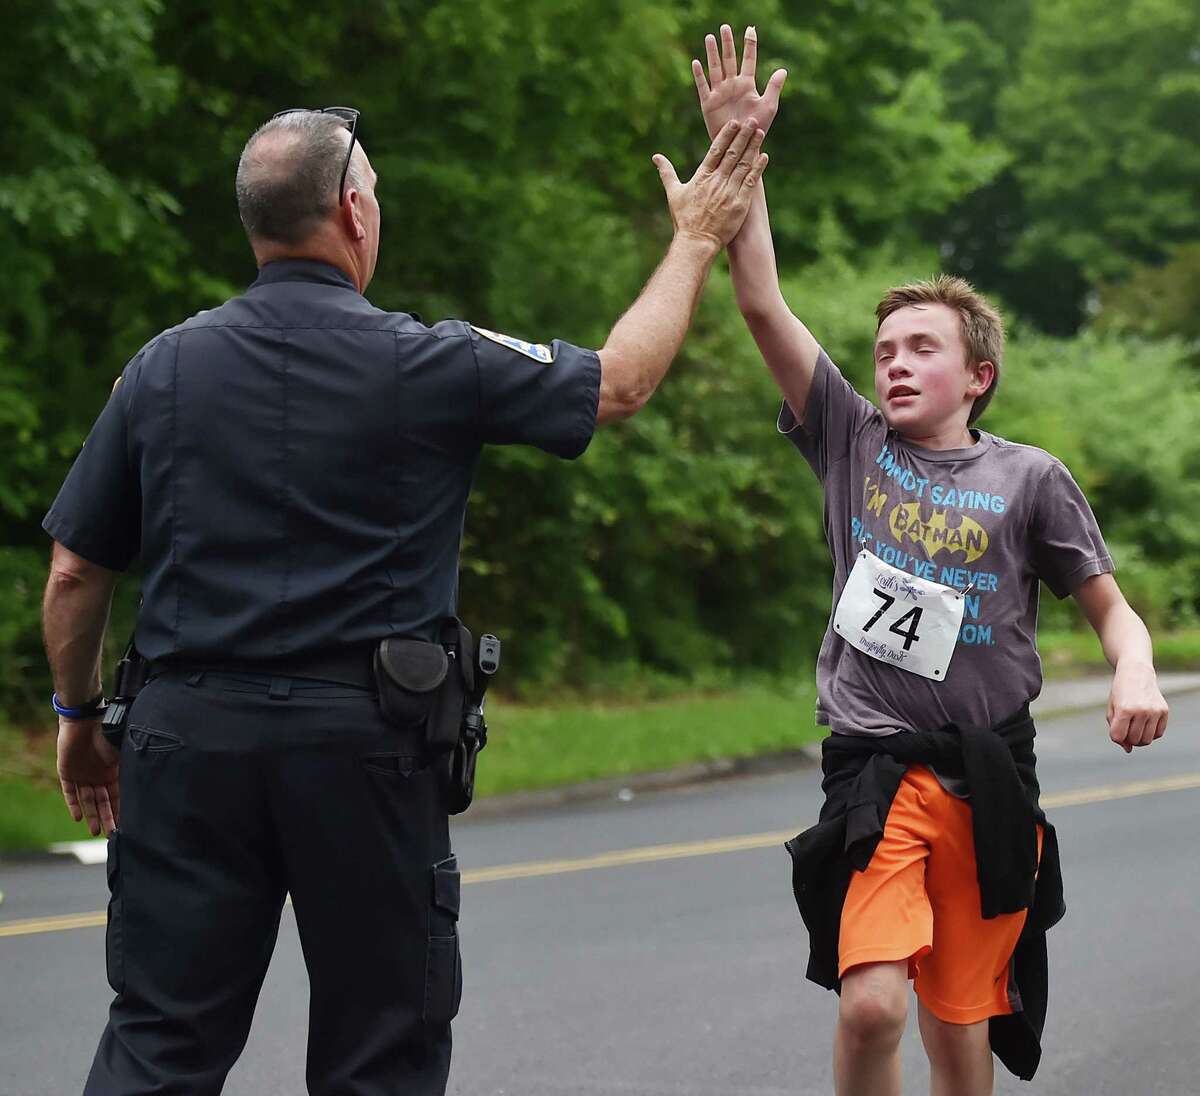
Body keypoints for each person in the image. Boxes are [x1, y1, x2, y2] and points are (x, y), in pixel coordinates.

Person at [41, 108, 767, 1095]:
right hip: (365, 753)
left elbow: (77, 572)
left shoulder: (161, 367)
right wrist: (694, 237)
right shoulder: (434, 360)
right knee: (380, 1053)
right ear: (351, 212)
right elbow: (620, 384)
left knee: (159, 1042)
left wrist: (80, 719)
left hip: (186, 744)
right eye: (373, 194)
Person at [690, 24, 1170, 1096]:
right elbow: (762, 299)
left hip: (988, 770)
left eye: (922, 349)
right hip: (873, 763)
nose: (895, 365)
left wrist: (1133, 669)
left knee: (963, 1027)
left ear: (979, 375)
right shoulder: (850, 440)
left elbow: (1112, 608)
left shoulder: (1030, 479)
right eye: (885, 351)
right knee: (871, 1003)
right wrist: (741, 162)